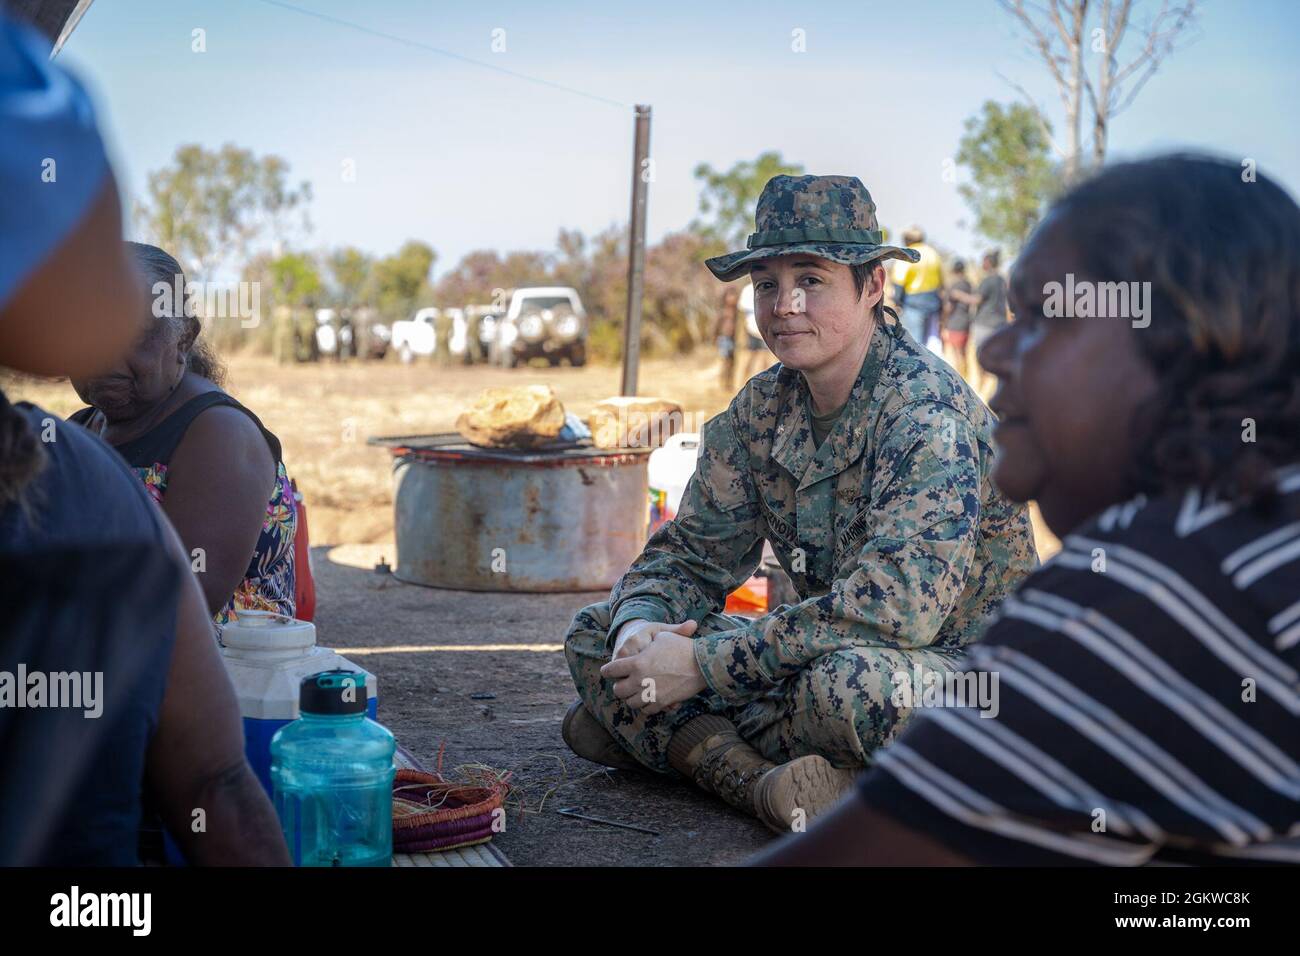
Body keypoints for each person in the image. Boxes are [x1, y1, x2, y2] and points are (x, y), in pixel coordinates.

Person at [757, 154, 1300, 866]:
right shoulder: (1253, 535)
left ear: (1185, 348)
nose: (996, 348)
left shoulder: (1155, 593)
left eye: (1045, 319)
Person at [562, 174, 1038, 832]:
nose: (785, 305)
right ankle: (766, 785)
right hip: (821, 647)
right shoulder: (761, 409)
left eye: (811, 280)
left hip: (963, 674)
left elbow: (899, 607)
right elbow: (692, 555)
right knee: (596, 635)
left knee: (846, 691)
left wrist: (700, 667)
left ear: (873, 286)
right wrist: (641, 630)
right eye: (766, 285)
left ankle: (672, 741)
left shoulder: (924, 412)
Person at [0, 12, 288, 865]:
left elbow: (184, 626)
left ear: (181, 334)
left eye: (141, 336)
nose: (113, 361)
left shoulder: (215, 438)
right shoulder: (78, 449)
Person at [70, 243, 298, 625]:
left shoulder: (219, 433)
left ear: (183, 338)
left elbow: (180, 600)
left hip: (218, 671)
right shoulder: (80, 429)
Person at [891, 225, 945, 347]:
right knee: (930, 343)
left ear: (907, 239)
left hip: (913, 304)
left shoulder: (907, 254)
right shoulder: (933, 254)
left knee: (914, 344)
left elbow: (899, 282)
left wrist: (897, 302)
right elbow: (941, 281)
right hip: (933, 303)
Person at [968, 249, 1009, 402]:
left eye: (984, 261)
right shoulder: (1001, 280)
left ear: (988, 262)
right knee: (994, 362)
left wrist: (959, 296)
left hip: (984, 324)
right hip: (999, 325)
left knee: (979, 361)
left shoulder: (988, 280)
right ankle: (989, 395)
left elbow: (977, 300)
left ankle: (979, 396)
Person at [940, 258, 978, 379]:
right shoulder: (969, 285)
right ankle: (966, 377)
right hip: (966, 322)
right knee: (964, 353)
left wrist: (943, 323)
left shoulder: (954, 286)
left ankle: (960, 379)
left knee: (956, 355)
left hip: (955, 323)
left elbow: (948, 308)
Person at [715, 285, 739, 391]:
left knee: (732, 362)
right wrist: (715, 337)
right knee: (725, 361)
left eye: (734, 296)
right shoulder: (723, 311)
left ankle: (729, 383)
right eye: (730, 296)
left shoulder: (736, 311)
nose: (732, 298)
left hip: (733, 339)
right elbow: (716, 325)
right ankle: (722, 384)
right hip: (724, 338)